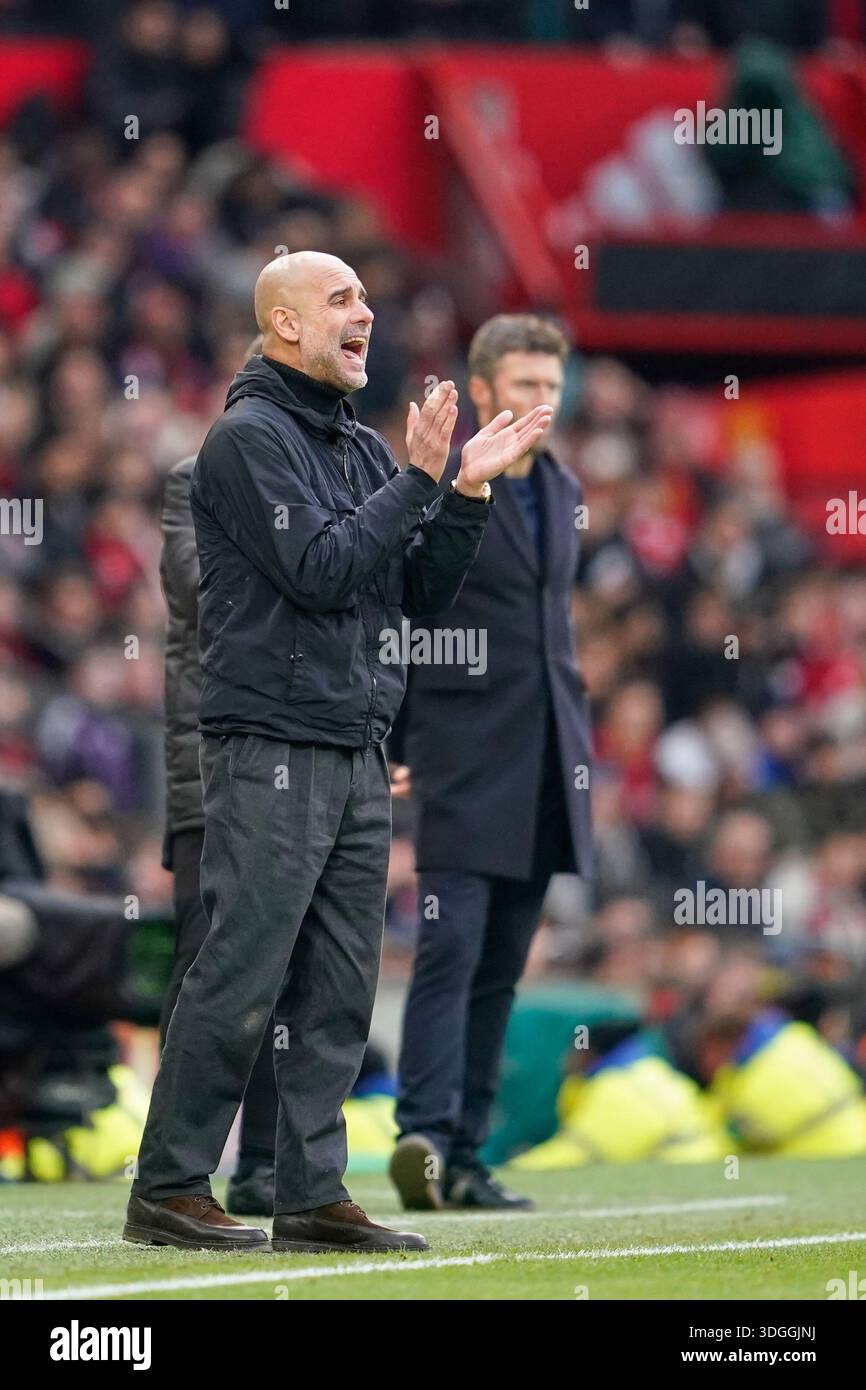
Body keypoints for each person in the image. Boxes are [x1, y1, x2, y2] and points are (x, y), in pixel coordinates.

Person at [123, 251, 553, 1253]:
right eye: (342, 299)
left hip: (354, 748)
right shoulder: (246, 440)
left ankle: (310, 1190)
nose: (366, 312)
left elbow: (414, 587)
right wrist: (415, 478)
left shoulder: (356, 445)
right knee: (238, 971)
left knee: (340, 986)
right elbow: (321, 569)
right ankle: (171, 1184)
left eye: (365, 295)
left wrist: (467, 493)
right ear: (283, 326)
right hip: (270, 741)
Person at [389, 314, 593, 1211]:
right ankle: (423, 1140)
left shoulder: (563, 485)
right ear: (481, 393)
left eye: (551, 386)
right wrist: (392, 736)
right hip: (464, 757)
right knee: (451, 953)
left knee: (504, 969)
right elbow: (402, 610)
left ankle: (468, 1156)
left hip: (550, 756)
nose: (541, 403)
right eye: (523, 387)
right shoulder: (443, 481)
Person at [158, 333, 280, 1219]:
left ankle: (270, 1170)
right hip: (215, 769)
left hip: (302, 763)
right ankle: (174, 1172)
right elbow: (217, 591)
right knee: (215, 973)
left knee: (298, 972)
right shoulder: (195, 475)